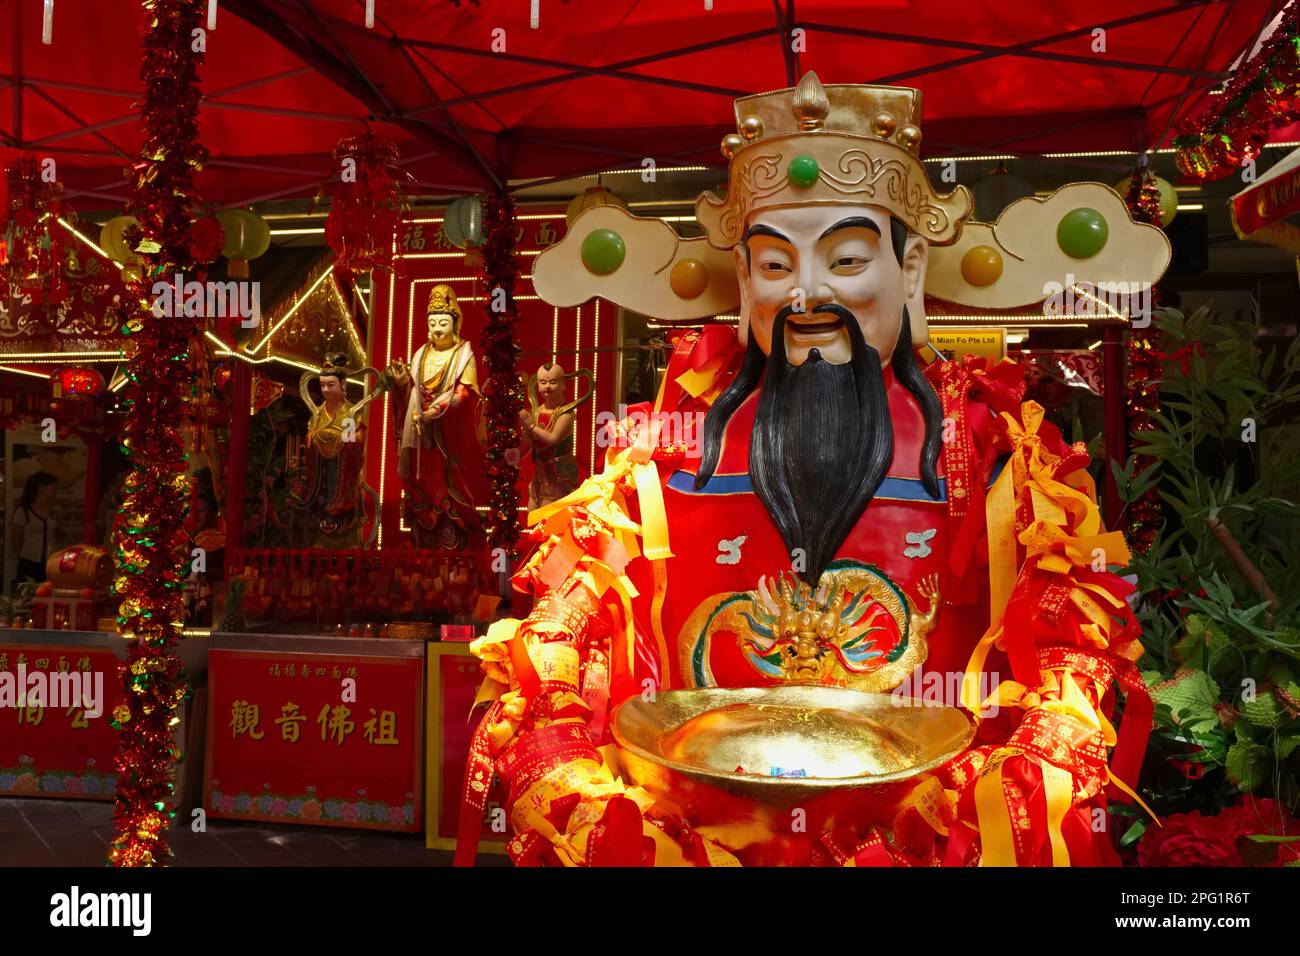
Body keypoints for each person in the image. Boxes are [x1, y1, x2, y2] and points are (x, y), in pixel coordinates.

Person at [456, 73, 1163, 867]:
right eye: (774, 263)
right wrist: (562, 758)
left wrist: (1022, 785)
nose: (808, 294)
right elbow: (560, 633)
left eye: (848, 258)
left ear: (911, 269)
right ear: (743, 278)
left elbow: (1067, 655)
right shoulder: (658, 460)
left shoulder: (997, 460)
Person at [387, 284, 488, 549]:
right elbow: (412, 391)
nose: (437, 329)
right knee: (421, 477)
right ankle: (425, 518)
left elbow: (464, 393)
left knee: (447, 477)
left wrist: (434, 412)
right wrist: (401, 383)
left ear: (456, 323)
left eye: (443, 322)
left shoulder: (464, 355)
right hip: (420, 433)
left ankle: (451, 521)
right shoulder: (421, 354)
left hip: (448, 432)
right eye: (432, 323)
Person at [294, 353, 383, 547]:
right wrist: (316, 439)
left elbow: (355, 442)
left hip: (344, 479)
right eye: (323, 385)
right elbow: (309, 438)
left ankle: (347, 543)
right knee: (319, 511)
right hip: (322, 476)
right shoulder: (317, 414)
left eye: (331, 384)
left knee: (344, 520)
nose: (326, 389)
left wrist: (332, 437)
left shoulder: (351, 413)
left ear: (343, 384)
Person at [519, 362, 587, 510]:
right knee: (532, 511)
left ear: (563, 385)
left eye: (553, 382)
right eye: (543, 382)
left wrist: (531, 426)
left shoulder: (566, 413)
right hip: (541, 472)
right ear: (537, 385)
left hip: (559, 473)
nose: (547, 387)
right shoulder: (538, 410)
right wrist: (526, 430)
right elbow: (532, 442)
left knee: (546, 514)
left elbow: (553, 439)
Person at [9, 472, 59, 588]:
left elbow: (57, 535)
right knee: (27, 592)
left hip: (50, 562)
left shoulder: (54, 511)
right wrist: (21, 556)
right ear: (41, 488)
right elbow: (14, 538)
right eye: (53, 487)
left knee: (47, 592)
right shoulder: (23, 511)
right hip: (29, 562)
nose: (56, 491)